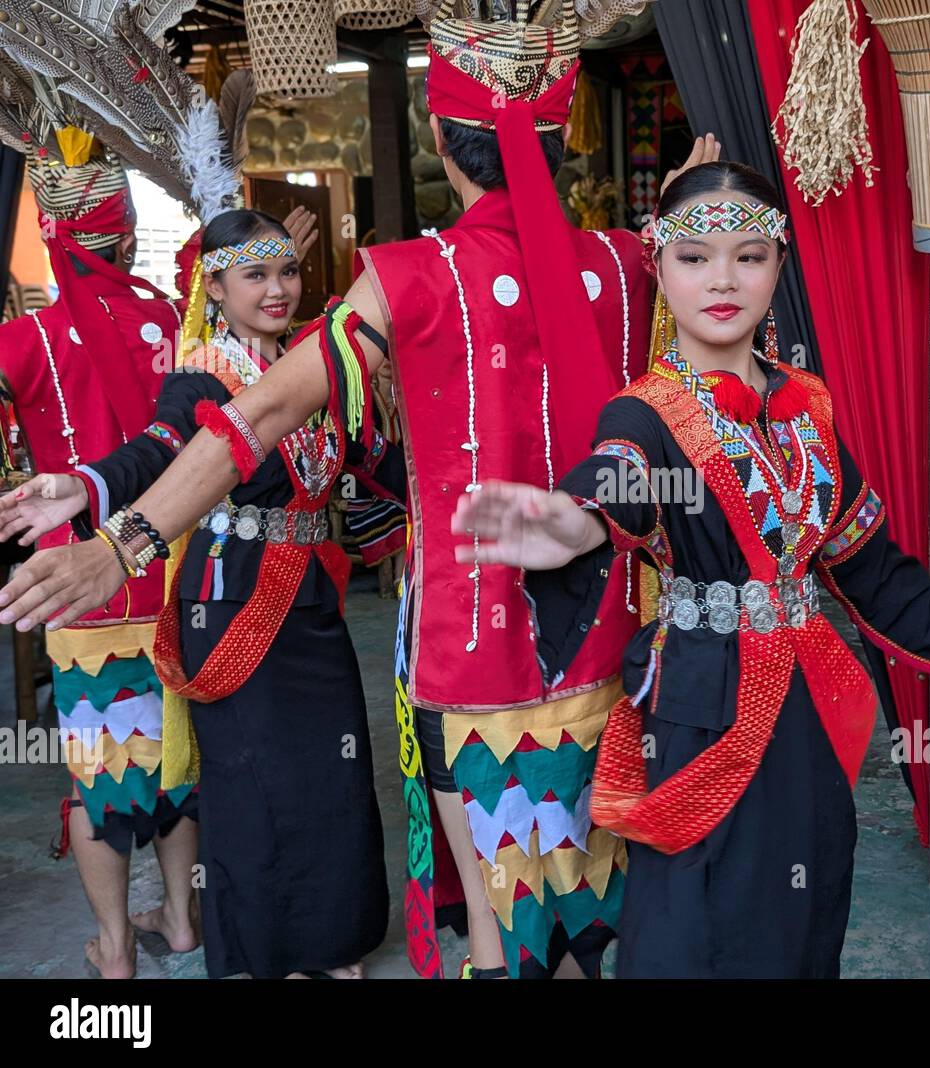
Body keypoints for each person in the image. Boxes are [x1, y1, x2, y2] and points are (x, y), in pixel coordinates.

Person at [0, 2, 659, 980]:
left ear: (441, 137)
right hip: (606, 633)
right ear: (565, 138)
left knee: (502, 899)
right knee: (590, 886)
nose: (275, 288)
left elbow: (260, 420)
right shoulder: (632, 263)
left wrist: (121, 542)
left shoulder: (411, 277)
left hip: (470, 639)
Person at [451, 160, 930, 978]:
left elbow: (859, 554)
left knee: (804, 900)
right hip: (701, 706)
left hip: (806, 706)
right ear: (659, 267)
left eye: (749, 256)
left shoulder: (809, 405)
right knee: (692, 922)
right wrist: (571, 524)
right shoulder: (644, 412)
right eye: (695, 258)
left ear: (779, 264)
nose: (723, 279)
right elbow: (620, 476)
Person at [0, 209, 394, 979]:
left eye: (287, 271)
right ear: (213, 288)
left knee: (333, 772)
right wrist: (86, 486)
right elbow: (159, 450)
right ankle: (273, 952)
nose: (277, 289)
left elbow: (372, 460)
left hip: (313, 603)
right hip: (232, 600)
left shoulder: (319, 364)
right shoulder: (202, 374)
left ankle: (333, 941)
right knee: (255, 782)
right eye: (255, 275)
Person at [0, 139, 195, 980]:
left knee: (99, 779)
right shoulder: (175, 322)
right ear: (125, 231)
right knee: (179, 766)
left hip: (80, 591)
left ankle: (115, 950)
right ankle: (181, 920)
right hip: (178, 574)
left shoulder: (27, 340)